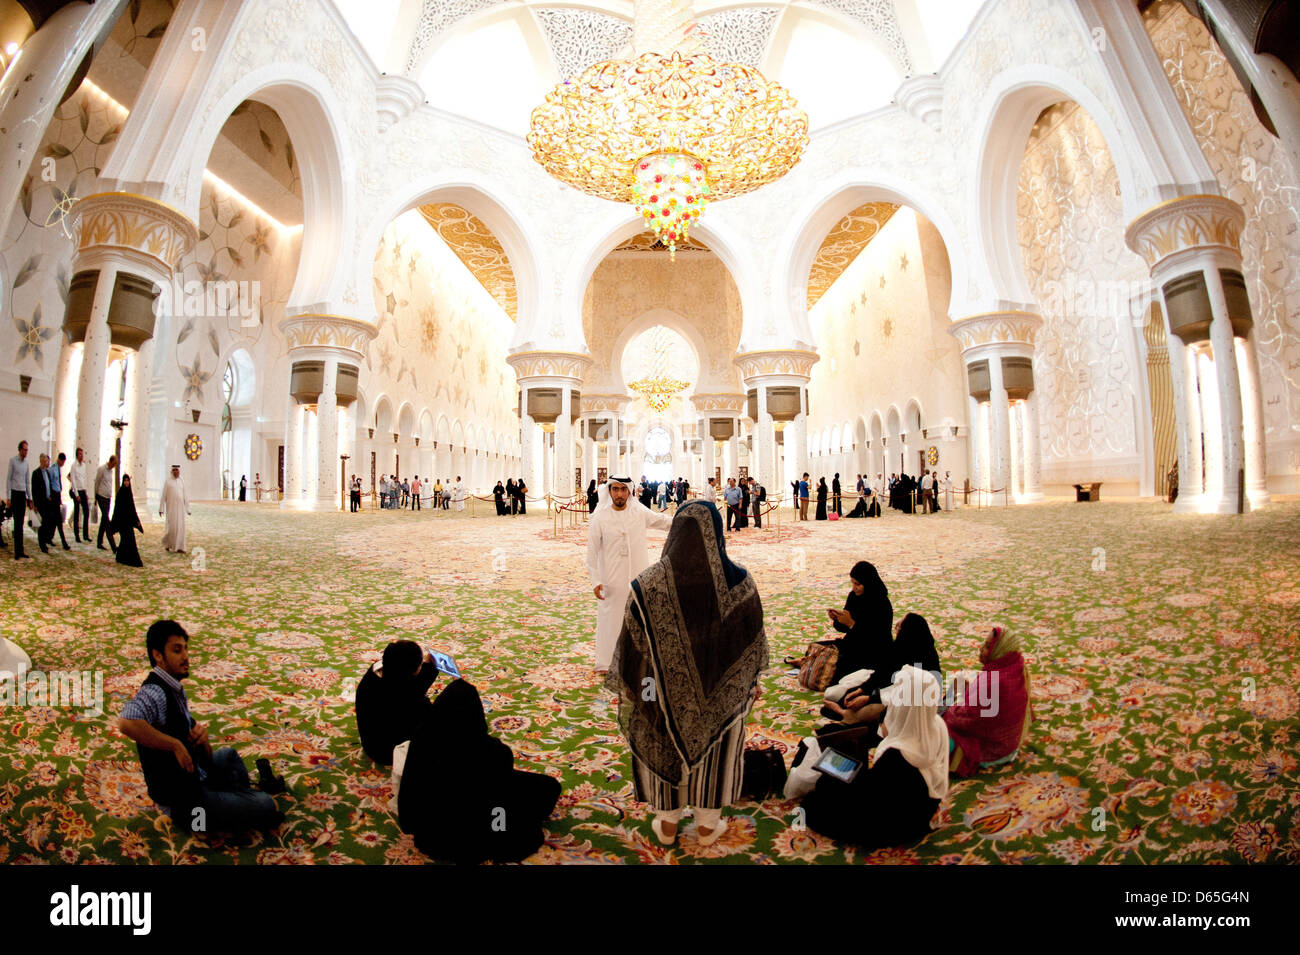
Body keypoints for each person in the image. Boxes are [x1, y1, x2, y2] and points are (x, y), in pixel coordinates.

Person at [606, 501, 768, 846]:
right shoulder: (741, 581)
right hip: (722, 692)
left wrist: (642, 691)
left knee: (662, 735)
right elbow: (751, 642)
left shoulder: (645, 586)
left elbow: (632, 651)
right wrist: (748, 683)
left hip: (656, 691)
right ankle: (708, 826)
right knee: (718, 745)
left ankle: (666, 823)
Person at [119, 620, 283, 834]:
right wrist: (174, 745)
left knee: (230, 755)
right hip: (186, 801)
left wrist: (202, 740)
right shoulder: (155, 691)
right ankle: (208, 821)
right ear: (158, 655)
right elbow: (126, 722)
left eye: (186, 649)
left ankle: (233, 799)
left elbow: (189, 736)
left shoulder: (173, 687)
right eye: (177, 650)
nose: (185, 656)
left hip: (194, 777)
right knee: (267, 806)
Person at [398, 679, 560, 863]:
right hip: (467, 836)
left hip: (430, 835)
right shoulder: (490, 751)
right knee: (548, 788)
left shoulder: (423, 736)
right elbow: (498, 803)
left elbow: (410, 792)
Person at [801, 666, 947, 848]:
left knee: (818, 796)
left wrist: (837, 777)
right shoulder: (937, 725)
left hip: (899, 824)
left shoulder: (899, 753)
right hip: (924, 806)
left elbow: (867, 801)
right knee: (842, 770)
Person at [585, 476, 674, 672]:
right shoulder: (600, 518)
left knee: (638, 620)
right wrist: (595, 581)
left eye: (623, 490)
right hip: (611, 580)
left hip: (637, 578)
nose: (619, 494)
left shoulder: (639, 512)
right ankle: (607, 662)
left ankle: (636, 662)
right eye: (615, 489)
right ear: (609, 491)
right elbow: (590, 555)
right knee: (610, 620)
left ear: (629, 492)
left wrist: (688, 517)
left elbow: (663, 521)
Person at [944, 626, 1032, 777]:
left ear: (999, 651)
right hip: (1008, 743)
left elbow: (965, 720)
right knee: (959, 684)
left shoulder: (995, 682)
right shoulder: (1014, 666)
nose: (980, 649)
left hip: (991, 749)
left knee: (934, 735)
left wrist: (949, 709)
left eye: (986, 646)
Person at [355, 639, 440, 765]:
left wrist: (428, 667)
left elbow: (410, 688)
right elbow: (412, 694)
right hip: (391, 753)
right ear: (412, 671)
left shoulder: (376, 673)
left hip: (371, 744)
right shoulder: (408, 698)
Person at [826, 561, 894, 684]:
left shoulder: (882, 604)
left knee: (839, 670)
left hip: (873, 651)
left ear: (868, 583)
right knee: (822, 649)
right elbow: (844, 628)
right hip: (853, 644)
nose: (854, 587)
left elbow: (876, 638)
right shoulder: (853, 596)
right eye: (852, 583)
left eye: (857, 584)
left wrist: (852, 624)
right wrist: (837, 620)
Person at [112, 474, 145, 567]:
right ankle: (129, 560)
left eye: (127, 480)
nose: (126, 482)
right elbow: (117, 508)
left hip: (128, 522)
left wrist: (136, 520)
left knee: (127, 540)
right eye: (125, 480)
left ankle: (121, 557)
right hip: (123, 522)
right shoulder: (120, 493)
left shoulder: (129, 493)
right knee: (127, 539)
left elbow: (132, 508)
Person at [7, 440, 32, 559]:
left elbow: (27, 481)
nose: (26, 452)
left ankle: (21, 550)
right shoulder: (13, 461)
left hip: (23, 495)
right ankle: (17, 551)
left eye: (27, 450)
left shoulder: (26, 464)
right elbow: (9, 479)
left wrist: (29, 497)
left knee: (21, 524)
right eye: (25, 449)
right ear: (20, 450)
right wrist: (8, 497)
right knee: (17, 523)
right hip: (15, 494)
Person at [160, 465, 191, 553]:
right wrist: (161, 508)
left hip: (180, 509)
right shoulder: (168, 481)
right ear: (172, 471)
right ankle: (168, 544)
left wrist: (188, 509)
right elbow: (163, 496)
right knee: (172, 528)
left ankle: (180, 547)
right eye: (174, 470)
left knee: (180, 528)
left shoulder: (182, 481)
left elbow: (185, 495)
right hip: (171, 509)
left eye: (177, 470)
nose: (176, 472)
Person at [94, 454, 117, 552]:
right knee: (107, 521)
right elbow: (97, 482)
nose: (114, 466)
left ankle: (99, 542)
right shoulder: (101, 469)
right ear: (110, 462)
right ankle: (113, 546)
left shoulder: (111, 471)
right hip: (101, 497)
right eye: (114, 464)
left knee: (104, 520)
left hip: (108, 498)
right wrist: (95, 497)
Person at [69, 448, 90, 543]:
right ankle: (77, 535)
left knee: (86, 511)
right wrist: (76, 494)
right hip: (76, 491)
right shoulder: (74, 466)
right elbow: (73, 480)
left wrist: (86, 492)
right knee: (77, 513)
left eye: (82, 454)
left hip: (83, 490)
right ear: (77, 455)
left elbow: (84, 479)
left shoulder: (84, 466)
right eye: (80, 454)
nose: (82, 456)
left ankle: (86, 535)